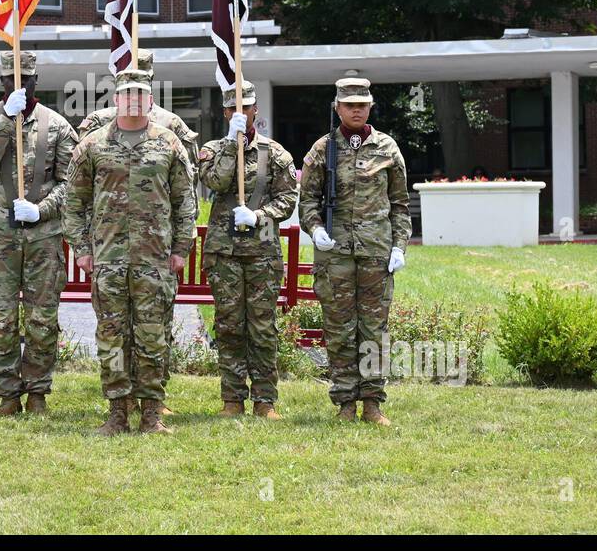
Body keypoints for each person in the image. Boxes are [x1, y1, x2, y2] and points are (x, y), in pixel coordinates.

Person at [63, 68, 197, 436]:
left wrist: (181, 248)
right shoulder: (92, 145)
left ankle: (152, 413)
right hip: (108, 260)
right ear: (116, 100)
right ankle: (117, 413)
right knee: (111, 336)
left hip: (155, 259)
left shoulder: (169, 143)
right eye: (127, 94)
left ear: (151, 101)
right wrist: (82, 249)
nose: (134, 100)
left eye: (141, 94)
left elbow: (186, 200)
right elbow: (73, 202)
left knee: (154, 335)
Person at [0, 50, 78, 415]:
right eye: (11, 81)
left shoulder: (57, 125)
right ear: (1, 84)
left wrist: (41, 209)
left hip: (42, 238)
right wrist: (4, 118)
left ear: (36, 82)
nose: (19, 86)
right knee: (0, 319)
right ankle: (8, 395)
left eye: (25, 81)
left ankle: (38, 392)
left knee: (43, 318)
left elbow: (71, 184)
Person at [298, 77, 410, 426]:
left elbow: (400, 205)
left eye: (362, 103)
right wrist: (315, 229)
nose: (356, 109)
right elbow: (308, 202)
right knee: (340, 329)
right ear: (337, 108)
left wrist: (399, 246)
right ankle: (345, 401)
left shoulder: (387, 148)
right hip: (336, 256)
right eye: (349, 104)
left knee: (374, 329)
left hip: (377, 252)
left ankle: (373, 402)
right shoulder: (322, 149)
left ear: (371, 106)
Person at [197, 80, 299, 419]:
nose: (240, 113)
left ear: (256, 109)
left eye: (246, 107)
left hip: (262, 252)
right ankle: (232, 398)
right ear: (225, 112)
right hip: (224, 254)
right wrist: (230, 143)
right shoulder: (213, 150)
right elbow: (215, 183)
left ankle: (265, 399)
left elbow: (287, 199)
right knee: (228, 326)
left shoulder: (276, 153)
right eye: (232, 109)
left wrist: (258, 215)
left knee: (262, 326)